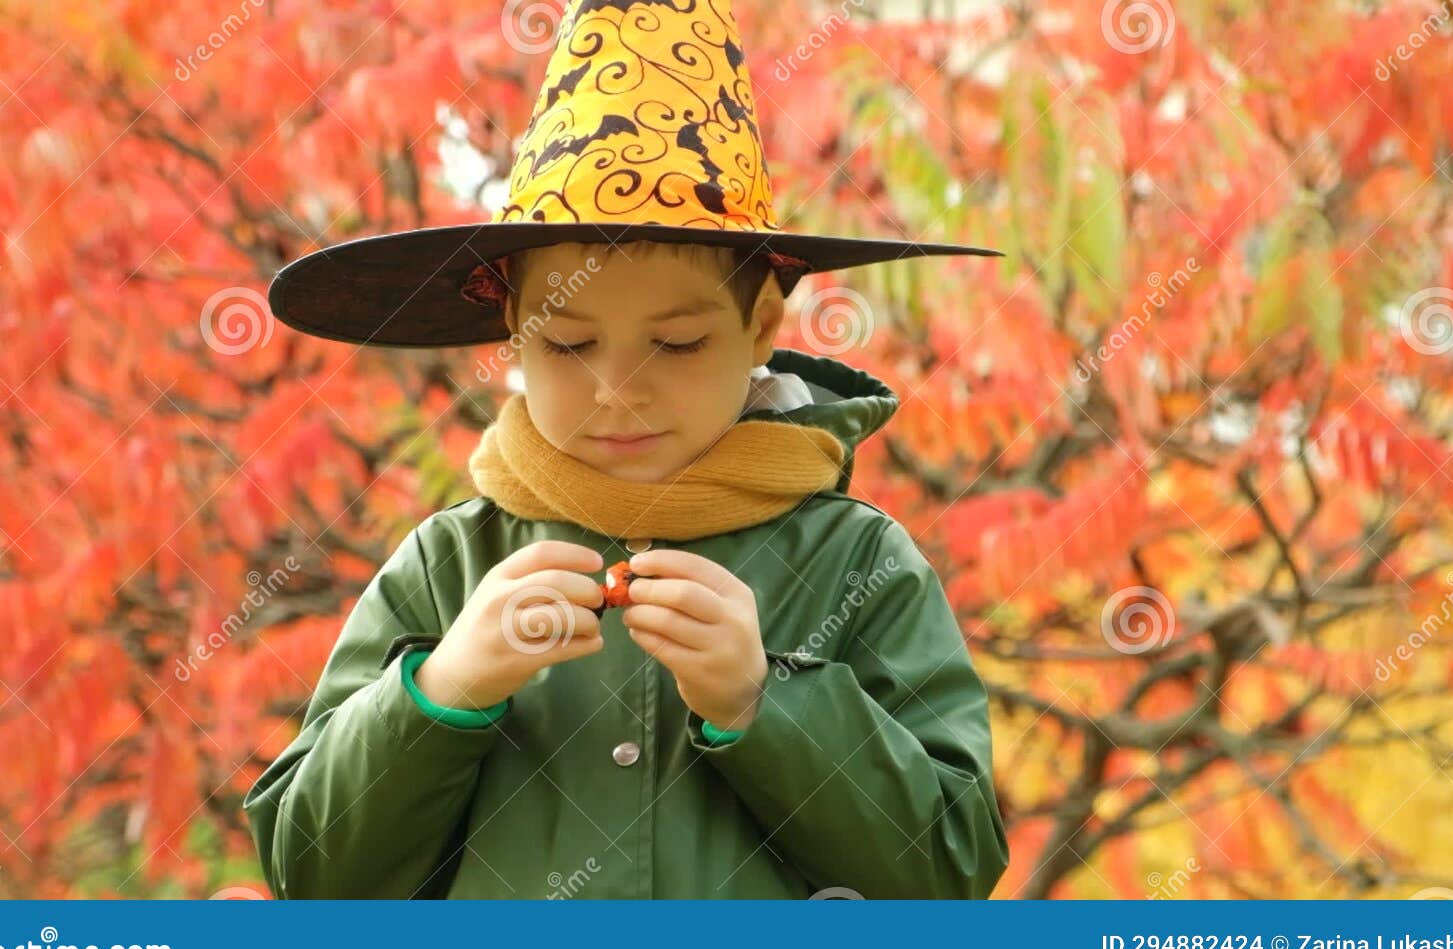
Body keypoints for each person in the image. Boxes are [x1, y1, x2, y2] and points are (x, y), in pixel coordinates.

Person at [243, 0, 1008, 899]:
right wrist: (442, 690)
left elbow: (948, 872)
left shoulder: (859, 563)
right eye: (568, 345)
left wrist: (764, 704)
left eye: (677, 345)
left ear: (762, 326)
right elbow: (312, 877)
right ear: (513, 331)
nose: (617, 390)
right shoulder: (447, 566)